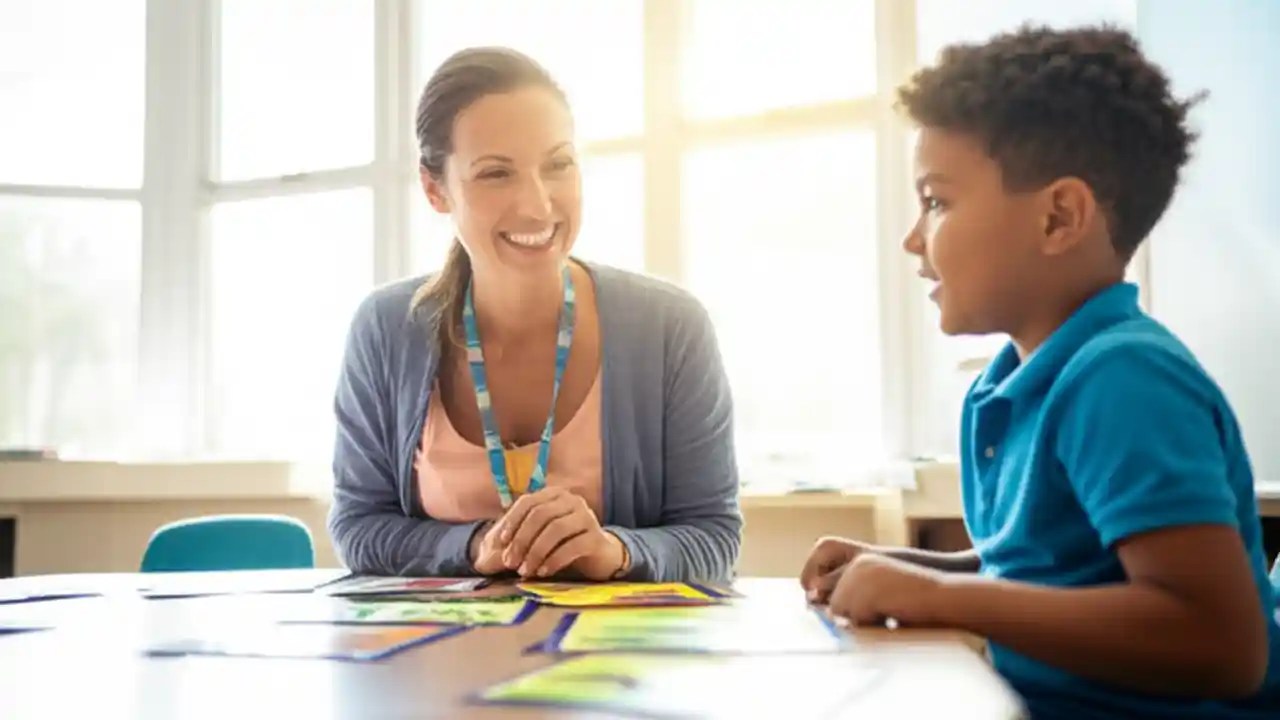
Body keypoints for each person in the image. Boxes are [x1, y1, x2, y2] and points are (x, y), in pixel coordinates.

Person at [800, 24, 1279, 718]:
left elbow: (1224, 646)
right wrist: (910, 568)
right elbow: (1043, 571)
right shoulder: (1015, 381)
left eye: (936, 201)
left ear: (1059, 217)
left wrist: (941, 599)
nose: (912, 239)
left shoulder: (1123, 379)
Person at [329, 47, 741, 584]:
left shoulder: (671, 328)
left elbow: (714, 536)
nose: (539, 206)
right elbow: (358, 528)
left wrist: (615, 550)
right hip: (438, 661)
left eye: (558, 165)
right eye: (496, 173)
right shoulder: (385, 329)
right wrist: (474, 546)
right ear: (435, 190)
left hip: (615, 663)